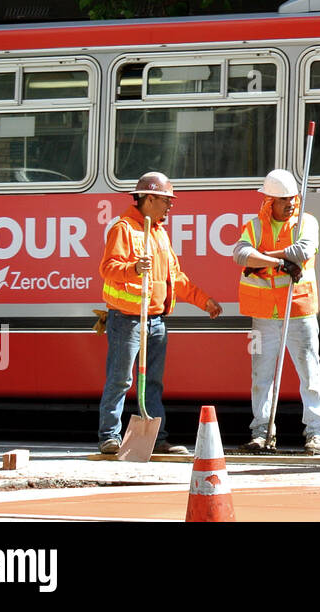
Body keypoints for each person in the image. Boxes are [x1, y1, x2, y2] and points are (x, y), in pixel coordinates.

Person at [98, 171, 223, 455]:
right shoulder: (123, 229)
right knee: (121, 379)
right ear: (149, 198)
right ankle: (109, 436)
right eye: (166, 200)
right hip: (127, 320)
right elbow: (107, 269)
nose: (170, 206)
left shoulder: (159, 234)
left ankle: (156, 437)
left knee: (151, 382)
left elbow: (174, 277)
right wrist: (133, 268)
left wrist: (204, 301)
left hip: (155, 321)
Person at [232, 169, 320, 455]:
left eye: (293, 198)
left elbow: (302, 251)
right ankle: (261, 433)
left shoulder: (305, 222)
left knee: (309, 373)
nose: (291, 204)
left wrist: (261, 260)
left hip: (298, 308)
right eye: (284, 200)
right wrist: (278, 263)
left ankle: (315, 433)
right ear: (268, 201)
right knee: (261, 376)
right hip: (264, 313)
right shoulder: (255, 226)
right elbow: (239, 253)